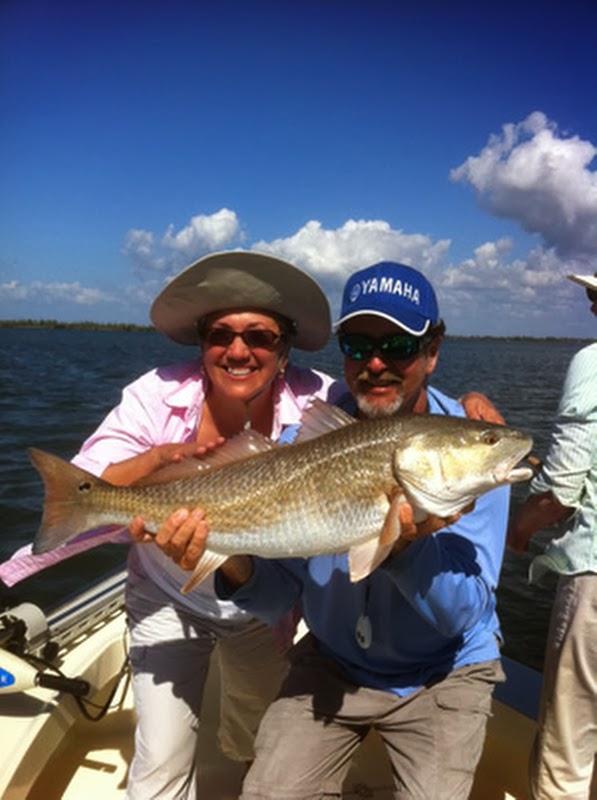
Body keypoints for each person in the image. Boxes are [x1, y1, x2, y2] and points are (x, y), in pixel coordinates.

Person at [136, 261, 513, 799]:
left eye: (400, 346)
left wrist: (402, 550)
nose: (376, 363)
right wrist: (228, 554)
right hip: (333, 661)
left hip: (444, 670)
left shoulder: (476, 450)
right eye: (358, 345)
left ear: (433, 351)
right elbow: (278, 596)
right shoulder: (302, 439)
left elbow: (463, 615)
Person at [71, 250, 344, 799]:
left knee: (256, 737)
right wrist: (156, 462)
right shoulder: (154, 392)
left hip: (264, 605)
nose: (238, 350)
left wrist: (472, 406)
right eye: (220, 334)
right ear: (201, 345)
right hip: (165, 595)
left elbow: (395, 416)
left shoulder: (324, 400)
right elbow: (82, 485)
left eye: (260, 337)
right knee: (159, 763)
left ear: (285, 348)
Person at [507, 272, 597, 800]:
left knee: (567, 755)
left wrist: (522, 528)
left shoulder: (592, 362)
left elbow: (562, 485)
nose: (590, 306)